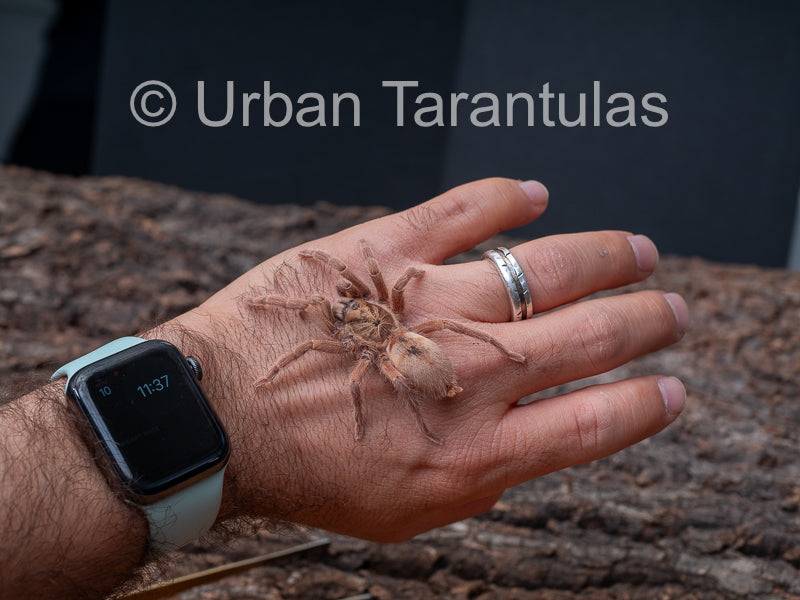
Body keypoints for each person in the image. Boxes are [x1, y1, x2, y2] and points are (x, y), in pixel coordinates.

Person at [0, 178, 688, 599]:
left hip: (398, 350)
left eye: (354, 300)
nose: (346, 306)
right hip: (403, 344)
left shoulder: (368, 340)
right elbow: (370, 300)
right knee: (391, 342)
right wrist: (237, 383)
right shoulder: (380, 321)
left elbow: (324, 334)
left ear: (372, 302)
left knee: (342, 348)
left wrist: (296, 318)